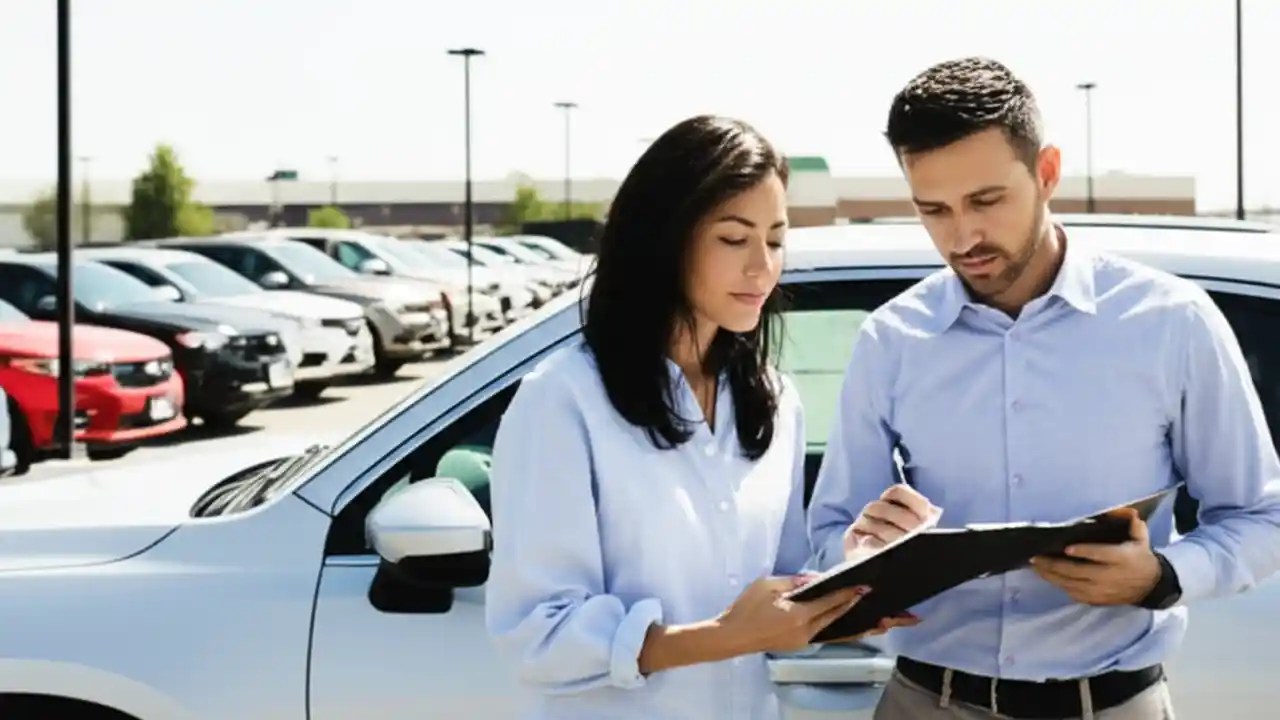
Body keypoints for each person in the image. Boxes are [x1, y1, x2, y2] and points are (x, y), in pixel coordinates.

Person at [807, 56, 1280, 720]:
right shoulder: (892, 340)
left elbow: (1262, 517)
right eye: (933, 209)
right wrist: (861, 553)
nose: (962, 235)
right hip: (925, 701)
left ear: (1047, 172)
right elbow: (829, 533)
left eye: (986, 201)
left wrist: (1162, 577)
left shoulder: (1172, 323)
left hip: (1113, 703)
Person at [484, 115, 913, 720]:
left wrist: (860, 575)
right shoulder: (563, 400)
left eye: (775, 238)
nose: (763, 266)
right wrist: (732, 634)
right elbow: (539, 635)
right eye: (734, 239)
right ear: (665, 237)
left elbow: (782, 584)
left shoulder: (772, 400)